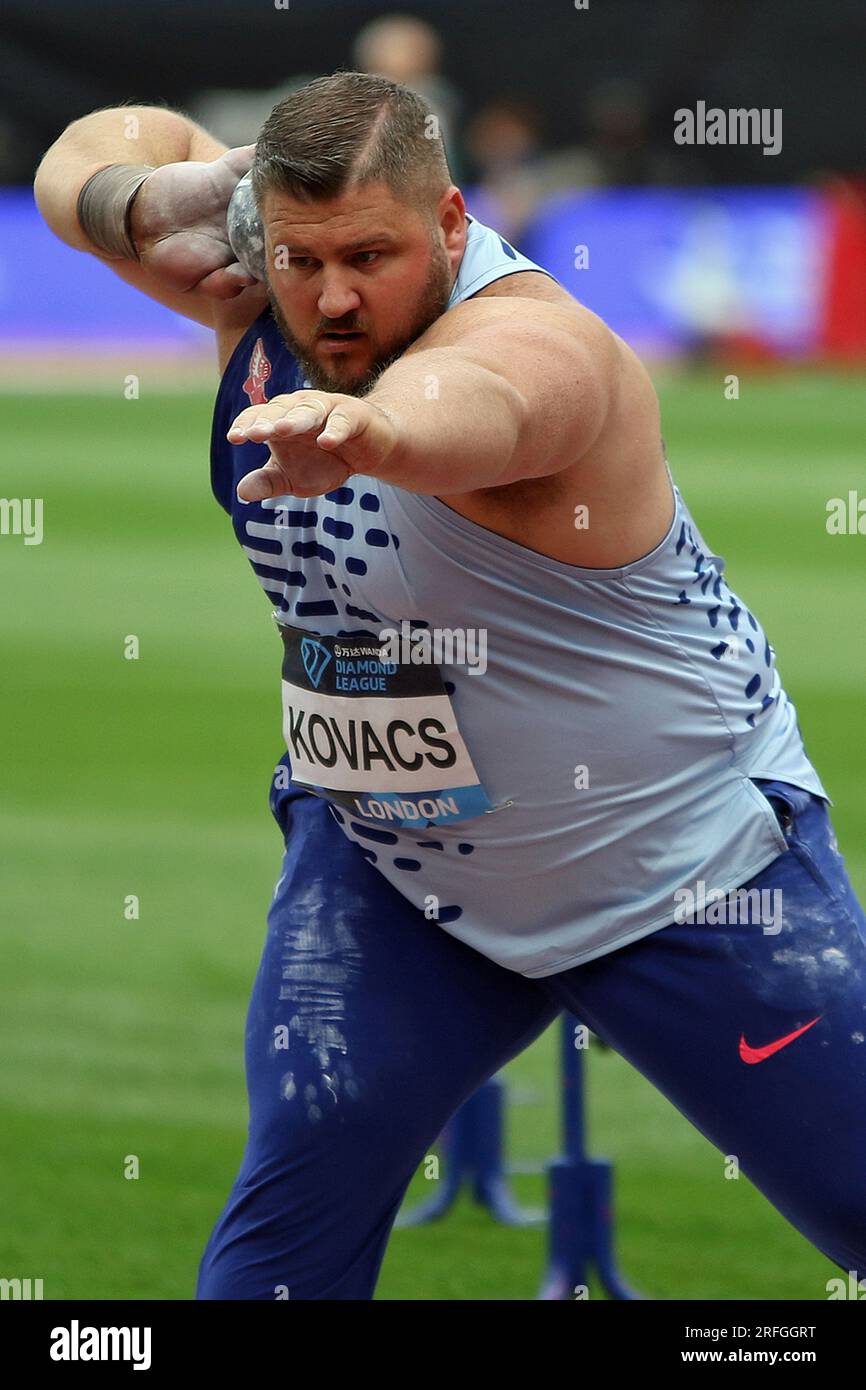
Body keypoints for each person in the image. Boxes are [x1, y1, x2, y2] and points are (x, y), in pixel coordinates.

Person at [34, 71, 866, 1301]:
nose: (331, 296)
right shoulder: (269, 280)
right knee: (286, 1234)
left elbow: (489, 402)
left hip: (682, 871)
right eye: (302, 257)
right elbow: (88, 149)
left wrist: (374, 435)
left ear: (450, 225)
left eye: (369, 255)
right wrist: (145, 195)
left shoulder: (545, 344)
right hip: (393, 867)